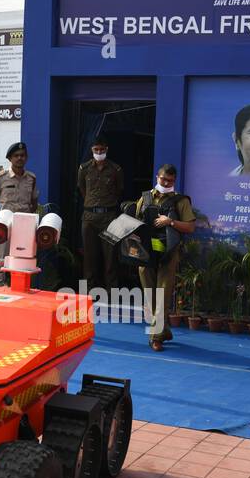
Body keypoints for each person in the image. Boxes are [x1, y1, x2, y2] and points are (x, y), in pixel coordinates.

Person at [134, 164, 197, 352]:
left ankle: (156, 337)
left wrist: (170, 221)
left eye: (170, 181)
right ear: (157, 177)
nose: (166, 183)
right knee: (150, 295)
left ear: (174, 181)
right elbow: (135, 221)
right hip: (145, 253)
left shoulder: (181, 201)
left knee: (162, 294)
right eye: (163, 179)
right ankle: (164, 330)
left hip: (168, 252)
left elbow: (190, 227)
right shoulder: (144, 198)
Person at [0, 141, 40, 286]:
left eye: (22, 155)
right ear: (10, 159)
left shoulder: (31, 178)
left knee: (21, 265)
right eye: (16, 156)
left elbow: (34, 203)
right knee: (0, 263)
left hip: (24, 230)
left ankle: (18, 293)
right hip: (4, 228)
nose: (20, 158)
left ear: (26, 158)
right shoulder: (0, 178)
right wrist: (1, 225)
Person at [77, 136, 125, 293]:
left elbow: (119, 191)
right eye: (96, 150)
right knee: (89, 257)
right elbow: (82, 189)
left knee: (110, 256)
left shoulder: (115, 169)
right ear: (92, 150)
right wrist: (93, 204)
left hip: (109, 217)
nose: (99, 152)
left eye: (102, 150)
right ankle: (88, 291)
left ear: (106, 149)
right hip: (89, 217)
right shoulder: (84, 169)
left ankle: (112, 292)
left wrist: (106, 204)